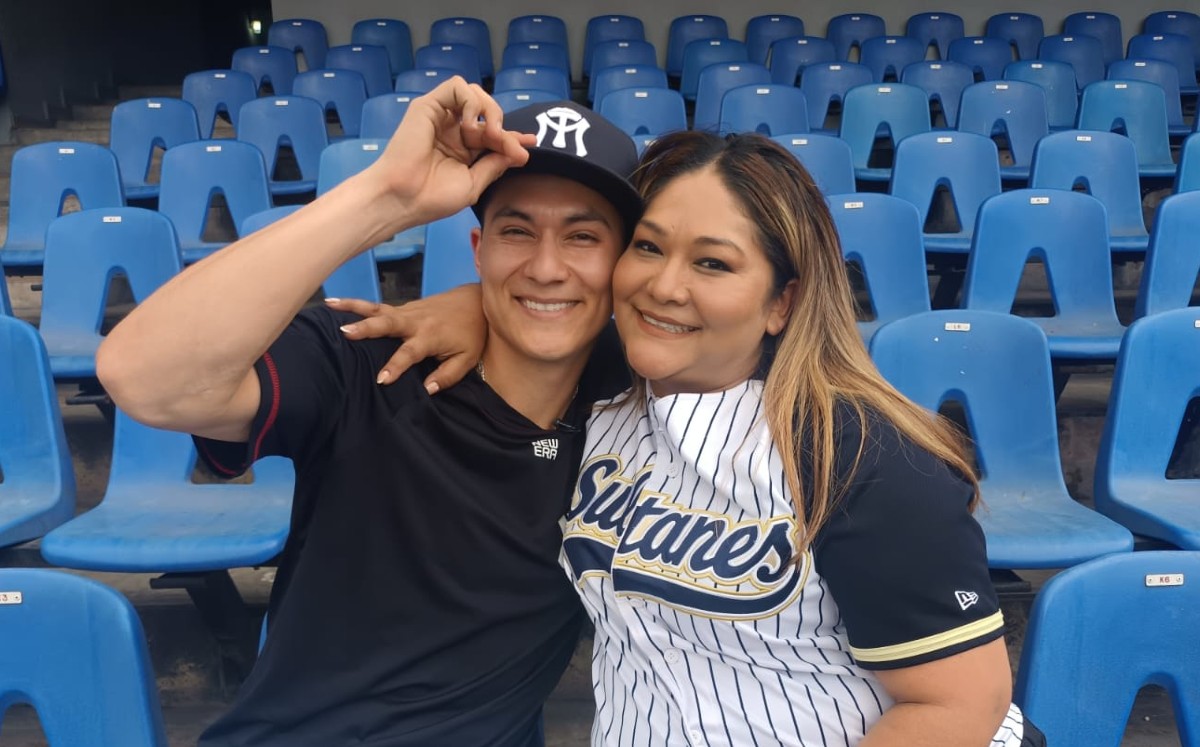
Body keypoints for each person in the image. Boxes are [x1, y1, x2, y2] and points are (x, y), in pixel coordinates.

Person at [348, 130, 1046, 746]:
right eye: (648, 247)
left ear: (782, 302)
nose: (664, 285)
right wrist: (469, 306)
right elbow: (540, 299)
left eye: (713, 263)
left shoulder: (861, 455)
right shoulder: (600, 392)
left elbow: (961, 704)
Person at [95, 79, 640, 746]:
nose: (546, 267)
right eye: (516, 231)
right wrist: (386, 196)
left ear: (624, 264)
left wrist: (478, 303)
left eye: (583, 236)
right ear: (478, 251)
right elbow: (145, 380)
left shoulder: (636, 399)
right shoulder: (363, 358)